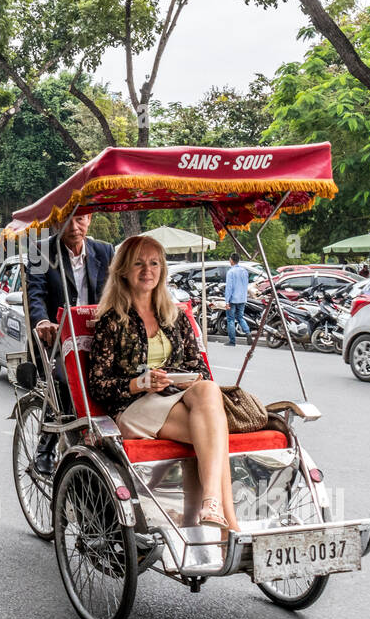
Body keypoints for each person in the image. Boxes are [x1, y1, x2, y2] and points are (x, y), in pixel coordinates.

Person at [88, 235, 239, 532]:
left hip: (175, 397)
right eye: (139, 263)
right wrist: (140, 383)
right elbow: (99, 384)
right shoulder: (112, 321)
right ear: (123, 271)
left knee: (208, 390)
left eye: (154, 263)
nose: (148, 270)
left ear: (163, 269)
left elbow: (199, 368)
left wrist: (184, 379)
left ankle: (212, 507)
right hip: (133, 407)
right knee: (213, 433)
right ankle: (227, 522)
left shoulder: (175, 315)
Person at [27, 213, 114, 346]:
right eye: (65, 220)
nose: (73, 227)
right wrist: (42, 321)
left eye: (79, 218)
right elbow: (35, 294)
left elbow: (116, 292)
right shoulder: (41, 251)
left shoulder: (105, 251)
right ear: (56, 223)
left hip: (100, 339)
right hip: (57, 341)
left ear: (89, 219)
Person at [224, 253, 251, 347]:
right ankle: (247, 332)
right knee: (240, 317)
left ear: (231, 260)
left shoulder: (230, 272)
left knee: (230, 319)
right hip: (242, 298)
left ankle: (232, 341)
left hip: (233, 299)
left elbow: (229, 288)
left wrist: (227, 301)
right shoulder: (244, 271)